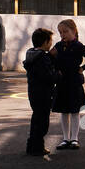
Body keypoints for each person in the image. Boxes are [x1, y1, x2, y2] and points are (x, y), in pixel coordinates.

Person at [50, 18, 85, 150]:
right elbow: (49, 58)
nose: (62, 35)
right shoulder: (58, 46)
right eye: (60, 32)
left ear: (74, 31)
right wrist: (55, 70)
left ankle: (74, 139)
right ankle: (65, 138)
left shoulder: (78, 46)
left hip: (74, 82)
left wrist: (83, 68)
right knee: (64, 112)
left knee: (74, 111)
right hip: (61, 83)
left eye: (65, 32)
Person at [23, 28, 58, 157]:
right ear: (45, 42)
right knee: (42, 122)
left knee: (36, 119)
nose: (51, 44)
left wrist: (50, 57)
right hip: (43, 93)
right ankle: (37, 148)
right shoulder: (42, 58)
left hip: (33, 92)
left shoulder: (31, 53)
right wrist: (58, 75)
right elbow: (47, 77)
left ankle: (32, 146)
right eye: (50, 41)